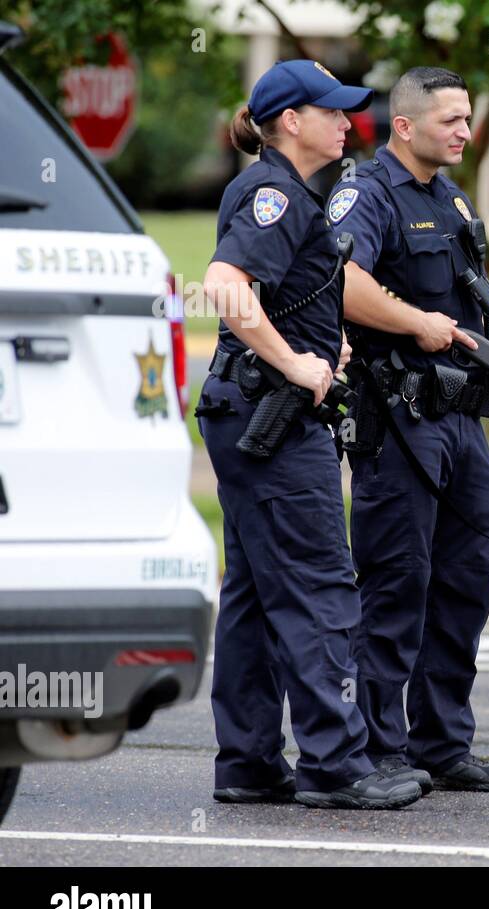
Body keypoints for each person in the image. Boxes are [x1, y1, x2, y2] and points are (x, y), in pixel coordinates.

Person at [327, 67, 489, 793]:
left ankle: (443, 745)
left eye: (468, 118)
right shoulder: (366, 194)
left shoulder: (454, 198)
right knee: (395, 587)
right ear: (405, 126)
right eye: (452, 121)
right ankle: (379, 750)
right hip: (401, 422)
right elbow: (342, 282)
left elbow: (479, 316)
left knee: (466, 585)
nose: (467, 132)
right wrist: (416, 324)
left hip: (466, 425)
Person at [196, 60, 421, 809]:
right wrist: (295, 360)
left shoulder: (288, 192)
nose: (348, 124)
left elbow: (284, 292)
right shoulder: (272, 193)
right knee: (323, 584)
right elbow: (227, 286)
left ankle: (250, 762)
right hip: (272, 420)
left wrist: (324, 345)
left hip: (251, 410)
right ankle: (335, 764)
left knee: (259, 592)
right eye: (333, 111)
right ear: (291, 120)